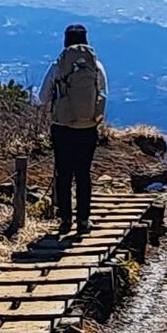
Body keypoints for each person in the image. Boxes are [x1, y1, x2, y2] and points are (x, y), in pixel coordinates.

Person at [38, 23, 107, 236]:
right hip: (88, 127)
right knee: (84, 173)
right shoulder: (96, 66)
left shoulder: (58, 66)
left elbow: (42, 98)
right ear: (86, 40)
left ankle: (65, 220)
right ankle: (84, 220)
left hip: (63, 127)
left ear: (65, 41)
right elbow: (103, 93)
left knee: (64, 173)